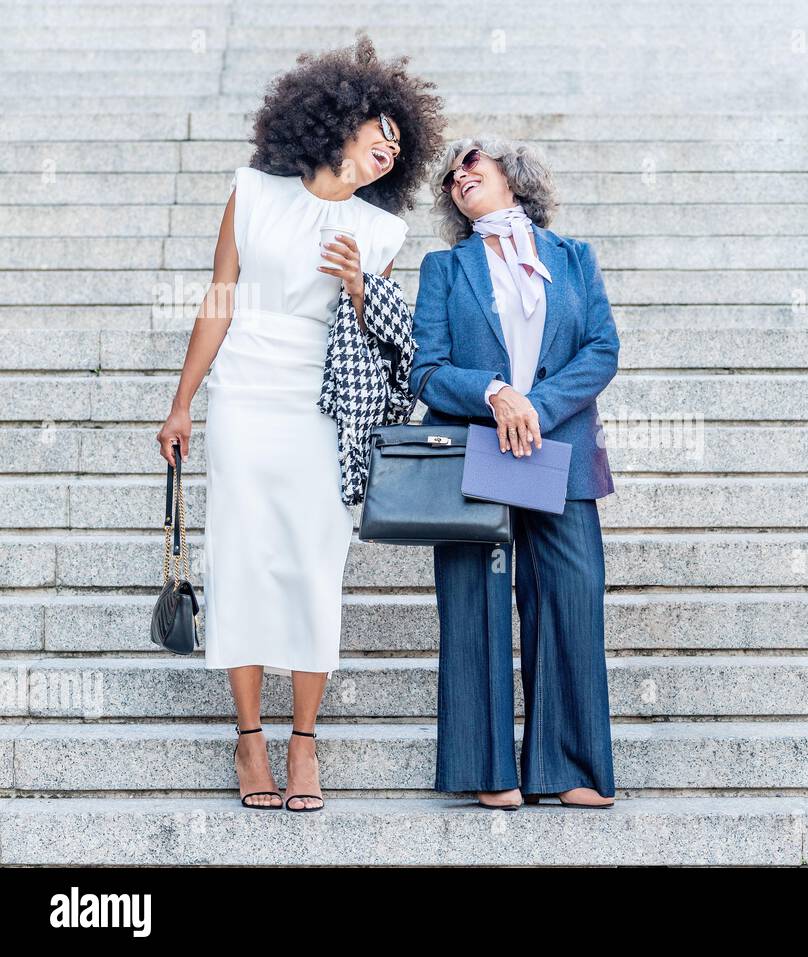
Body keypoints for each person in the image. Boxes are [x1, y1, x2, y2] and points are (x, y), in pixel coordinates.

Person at [155, 35, 446, 811]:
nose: (387, 150)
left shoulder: (379, 234)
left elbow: (383, 340)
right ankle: (249, 737)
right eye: (377, 134)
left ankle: (303, 742)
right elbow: (220, 297)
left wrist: (359, 287)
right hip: (246, 396)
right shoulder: (252, 193)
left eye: (397, 147)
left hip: (320, 412)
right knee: (245, 559)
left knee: (314, 566)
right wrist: (183, 400)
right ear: (336, 122)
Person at [410, 137, 620, 810]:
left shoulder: (572, 258)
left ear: (511, 173)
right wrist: (495, 393)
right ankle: (487, 766)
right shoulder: (445, 267)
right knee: (474, 601)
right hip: (479, 450)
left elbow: (601, 349)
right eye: (449, 177)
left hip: (558, 448)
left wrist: (537, 404)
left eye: (471, 162)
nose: (458, 177)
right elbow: (428, 371)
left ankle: (570, 766)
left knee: (572, 596)